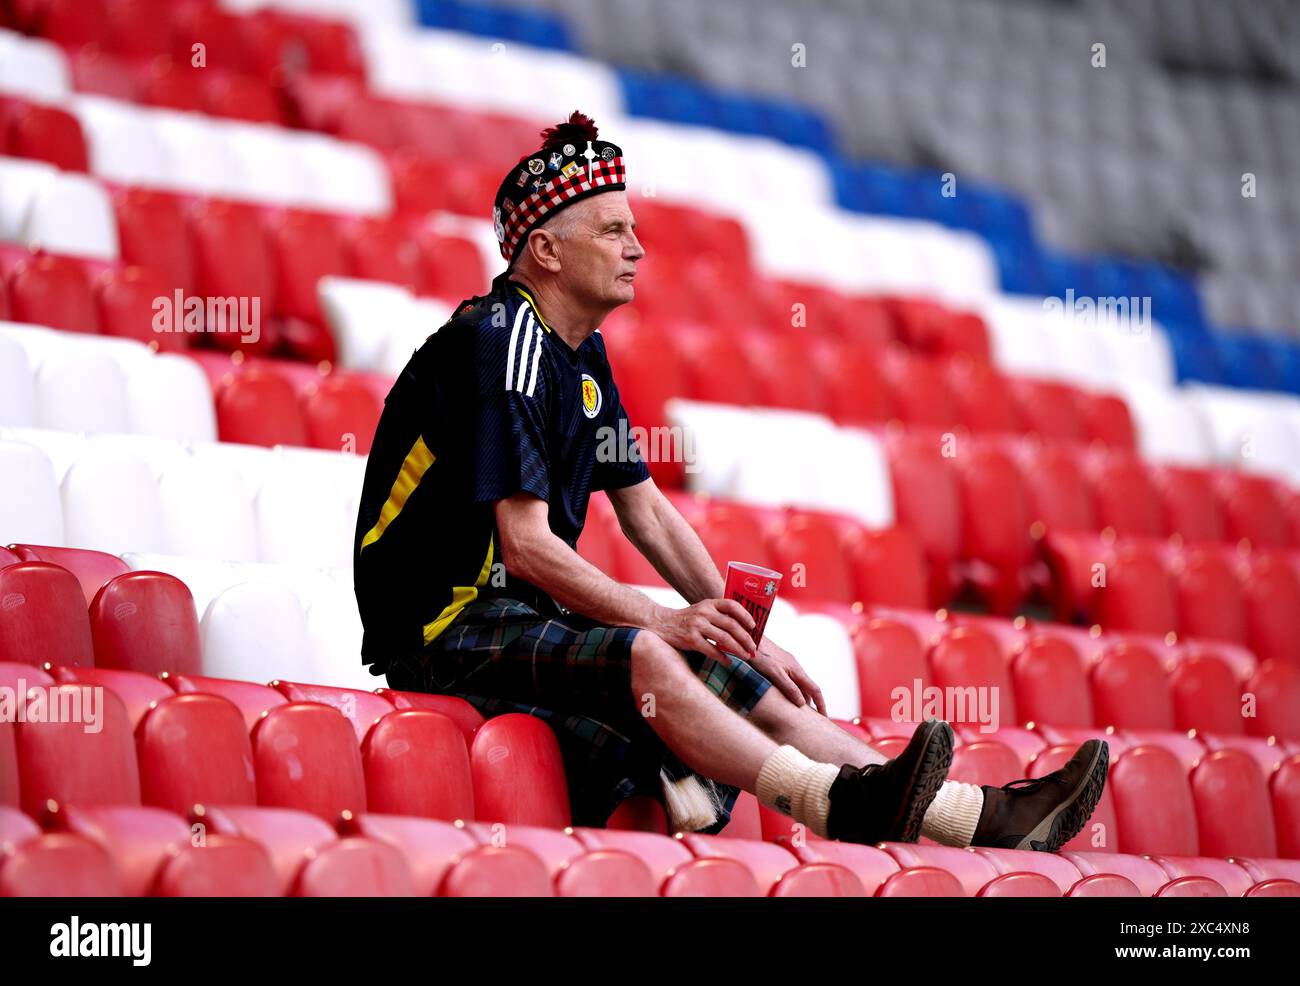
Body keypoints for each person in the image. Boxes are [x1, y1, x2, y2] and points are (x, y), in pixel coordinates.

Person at [352, 110, 1109, 848]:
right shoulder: (501, 340)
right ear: (546, 252)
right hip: (440, 626)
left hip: (515, 615)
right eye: (613, 230)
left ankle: (982, 816)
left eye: (633, 229)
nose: (637, 248)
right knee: (650, 650)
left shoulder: (579, 354)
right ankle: (829, 805)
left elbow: (646, 512)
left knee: (748, 679)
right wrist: (667, 623)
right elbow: (526, 547)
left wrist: (740, 633)